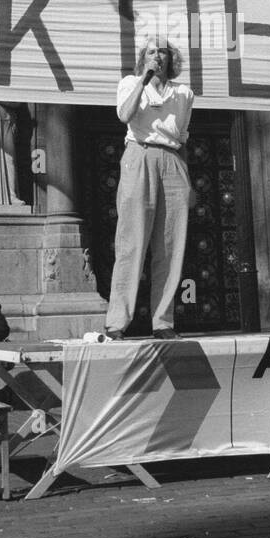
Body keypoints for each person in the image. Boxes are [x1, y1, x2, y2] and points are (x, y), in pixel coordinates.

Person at [105, 39, 194, 341]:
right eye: (152, 51)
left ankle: (163, 322)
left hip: (172, 162)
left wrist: (188, 182)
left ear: (172, 58)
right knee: (131, 241)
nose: (158, 55)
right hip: (139, 155)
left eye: (163, 51)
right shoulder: (130, 83)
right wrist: (144, 80)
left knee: (170, 246)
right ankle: (118, 320)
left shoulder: (184, 94)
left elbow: (181, 138)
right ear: (144, 58)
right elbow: (124, 115)